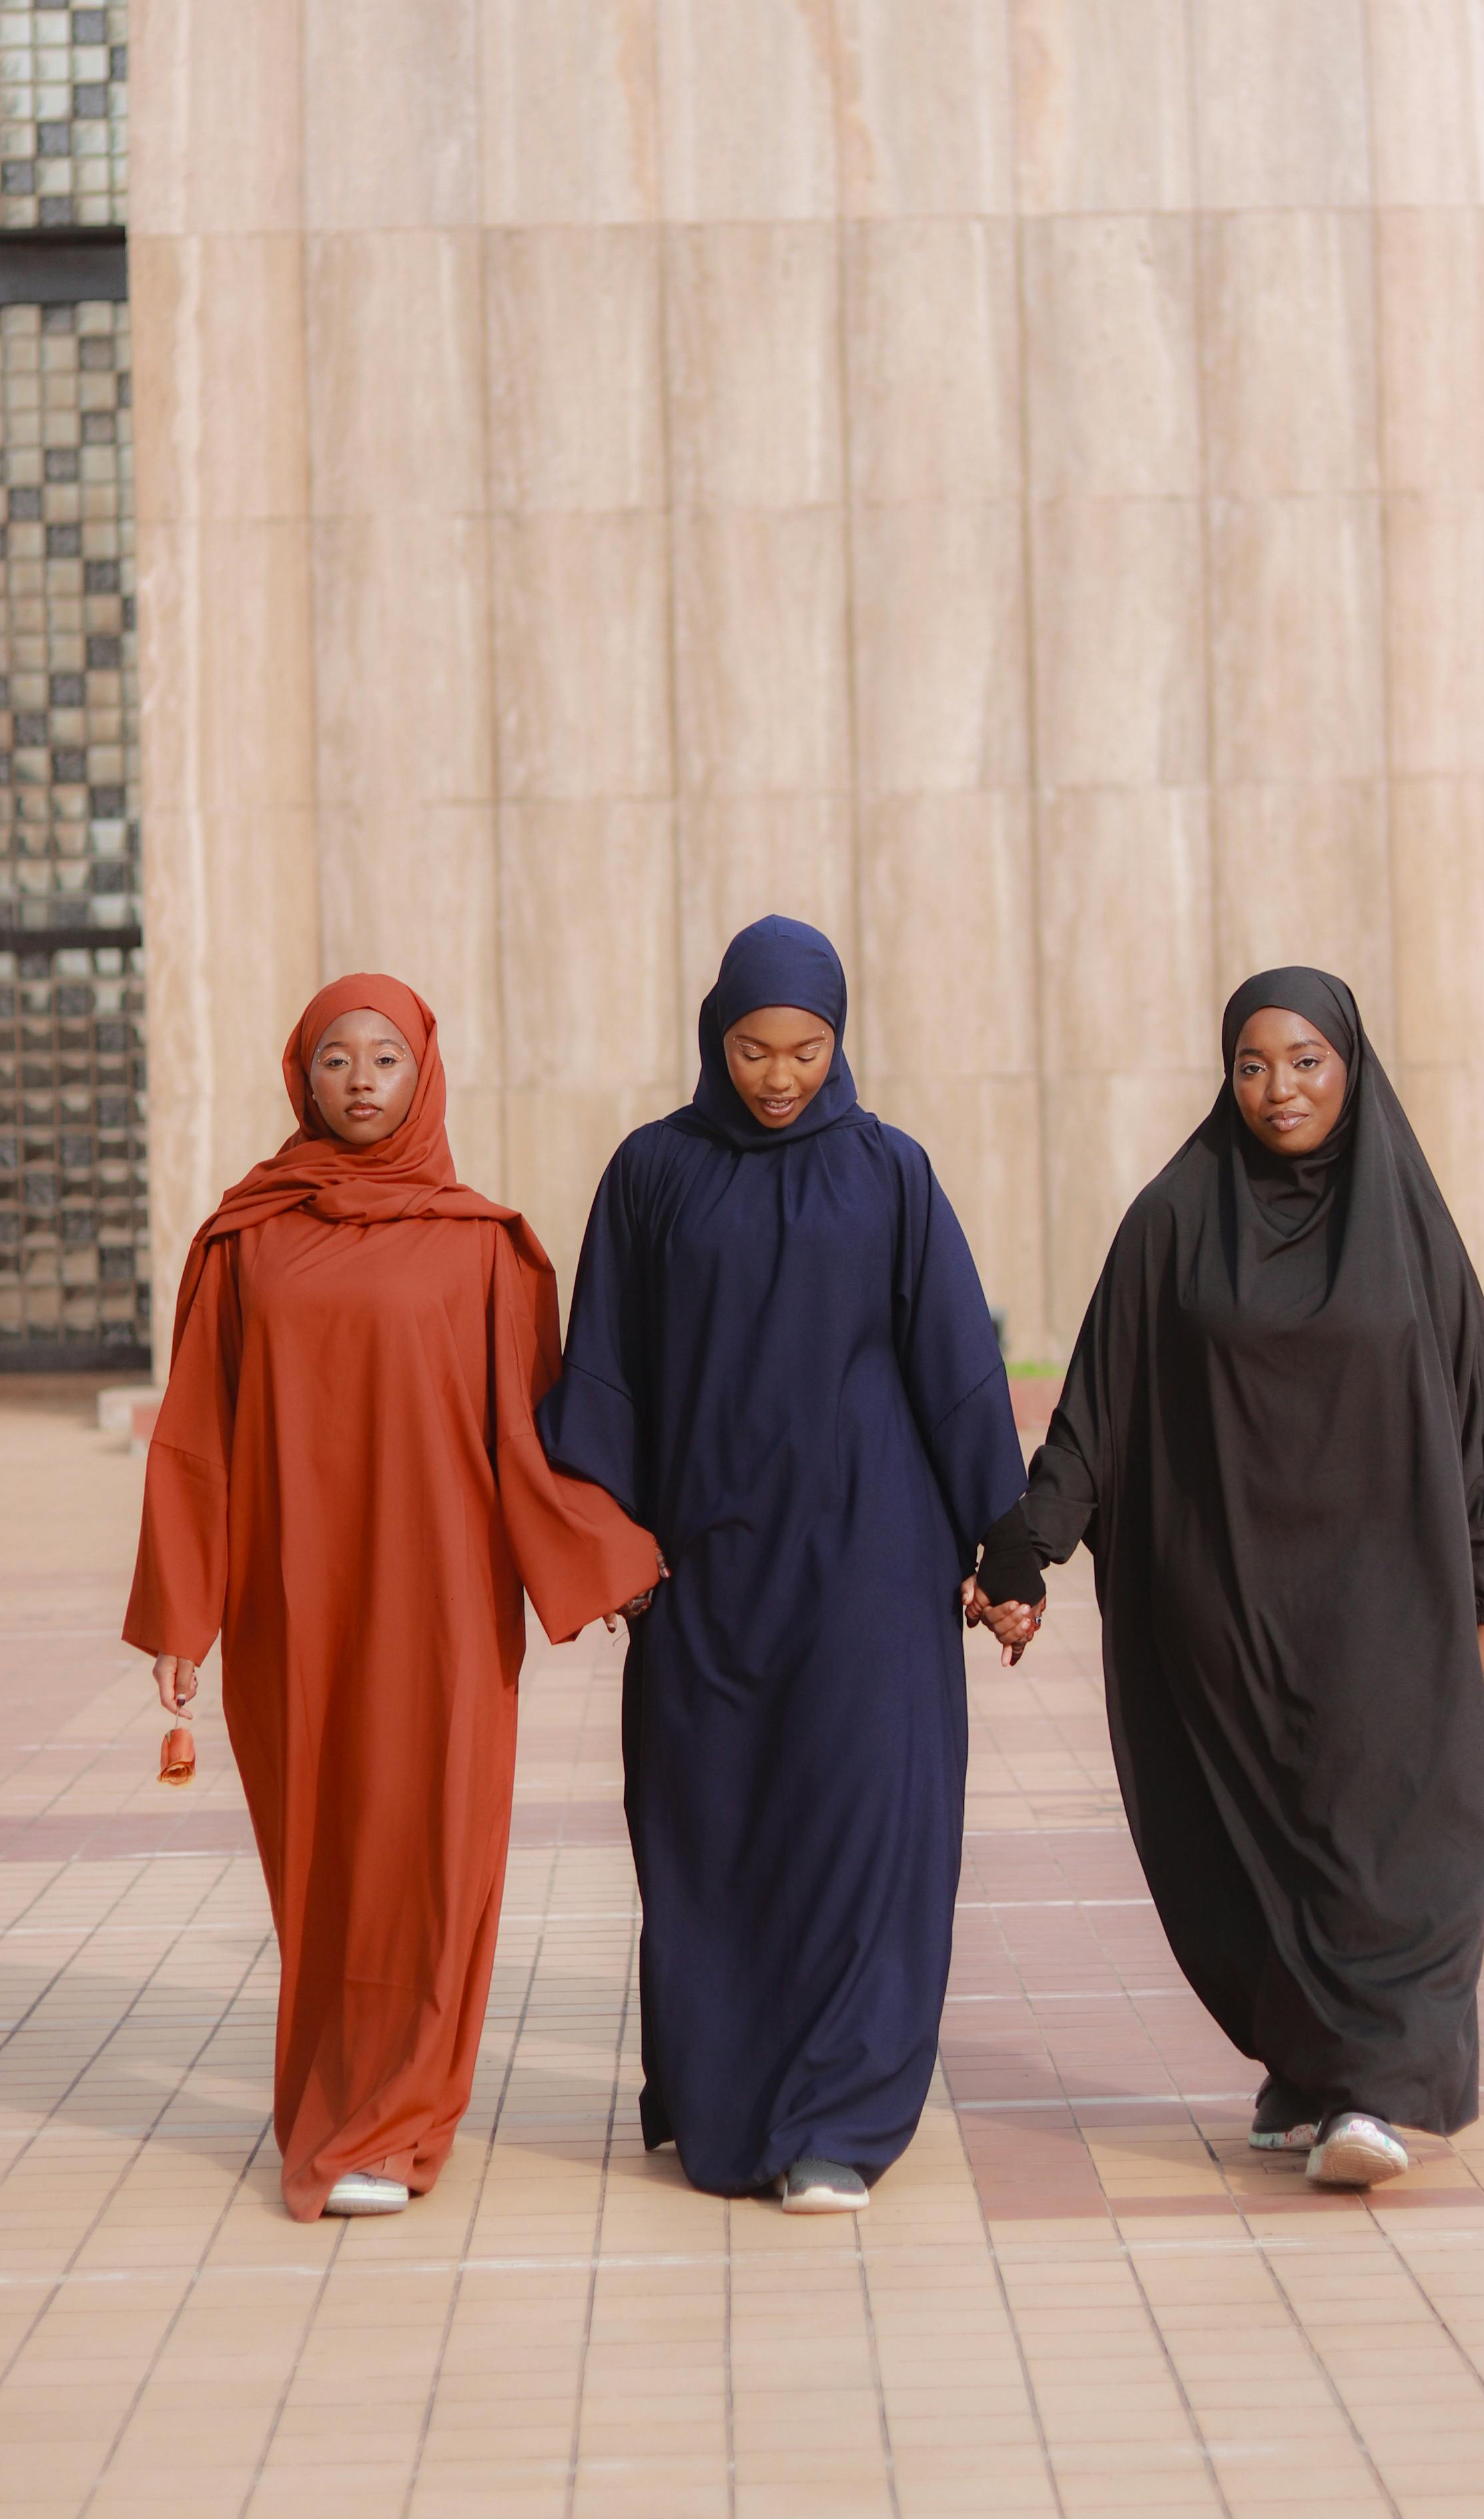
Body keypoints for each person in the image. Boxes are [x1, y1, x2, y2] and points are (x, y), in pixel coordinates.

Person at [974, 967, 1484, 2190]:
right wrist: (1025, 1554)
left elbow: (1479, 1416)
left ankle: (1373, 2095)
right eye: (1253, 1065)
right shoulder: (1176, 1218)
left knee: (1405, 1838)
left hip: (1392, 1605)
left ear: (1351, 1065)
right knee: (1260, 1846)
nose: (1280, 1090)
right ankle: (1307, 2067)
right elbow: (1097, 1413)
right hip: (1226, 1605)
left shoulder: (1406, 1222)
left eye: (1307, 1061)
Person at [123, 975, 657, 2222]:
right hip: (291, 1604)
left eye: (386, 1060)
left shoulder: (487, 1246)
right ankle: (336, 2103)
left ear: (426, 1073)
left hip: (445, 1605)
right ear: (299, 1078)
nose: (361, 1081)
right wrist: (182, 1620)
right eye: (333, 1061)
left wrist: (607, 1560)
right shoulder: (245, 1241)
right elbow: (199, 1435)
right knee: (319, 1860)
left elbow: (532, 1442)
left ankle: (405, 2115)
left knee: (433, 1850)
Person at [536, 915, 1027, 2213]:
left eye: (805, 1048)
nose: (777, 1075)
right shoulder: (652, 1173)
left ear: (839, 1040)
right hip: (707, 1576)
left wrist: (1009, 1540)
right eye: (753, 1047)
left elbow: (955, 1371)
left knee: (868, 1834)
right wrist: (612, 1551)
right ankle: (719, 2099)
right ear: (715, 1036)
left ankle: (837, 2120)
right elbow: (603, 1374)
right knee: (708, 1836)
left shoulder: (889, 1173)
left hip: (873, 1567)